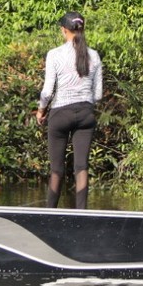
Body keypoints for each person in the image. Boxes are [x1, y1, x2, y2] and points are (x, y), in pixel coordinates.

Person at [35, 11, 103, 209]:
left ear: (64, 30)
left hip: (61, 113)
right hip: (86, 113)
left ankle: (50, 212)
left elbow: (47, 92)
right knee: (81, 167)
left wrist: (41, 111)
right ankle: (82, 212)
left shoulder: (54, 54)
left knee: (57, 169)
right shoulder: (94, 55)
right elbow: (98, 95)